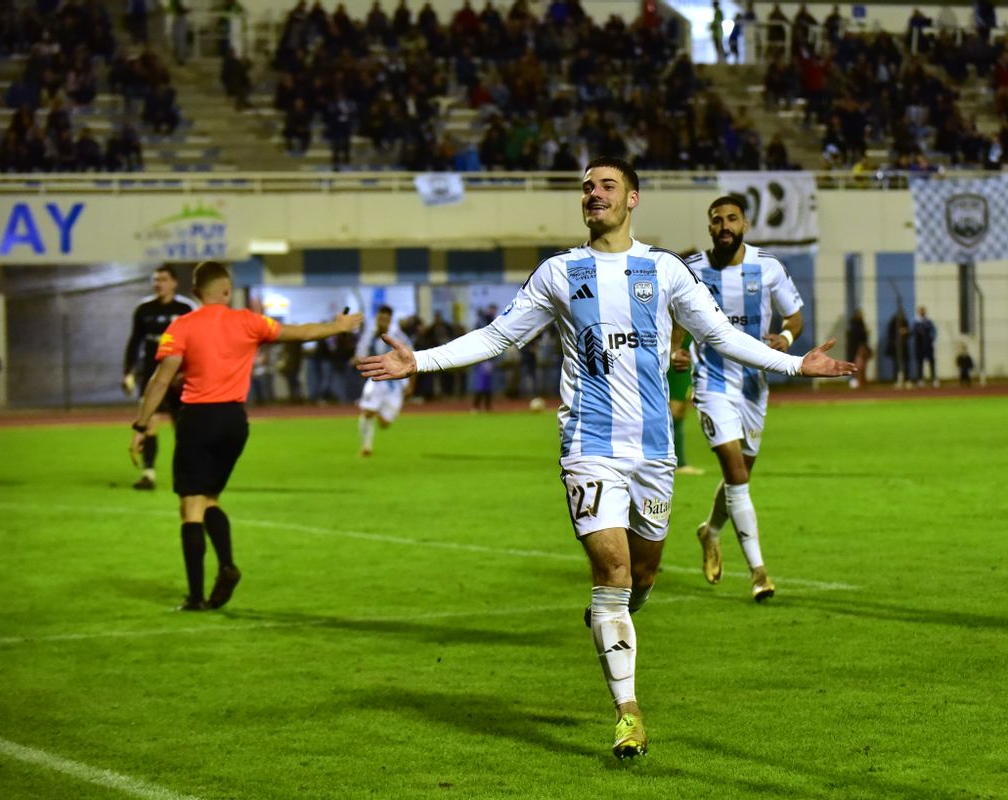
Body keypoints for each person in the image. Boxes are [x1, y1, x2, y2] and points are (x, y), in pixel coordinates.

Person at [357, 157, 854, 760]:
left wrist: (797, 364)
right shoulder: (560, 272)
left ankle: (610, 621)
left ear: (633, 199)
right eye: (587, 187)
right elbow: (499, 336)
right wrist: (422, 360)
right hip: (589, 447)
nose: (594, 193)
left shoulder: (665, 270)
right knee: (614, 572)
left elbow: (720, 337)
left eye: (606, 185)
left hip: (652, 451)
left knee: (641, 576)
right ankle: (629, 713)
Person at [128, 261, 363, 611]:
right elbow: (298, 332)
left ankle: (195, 597)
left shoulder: (182, 326)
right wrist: (337, 326)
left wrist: (141, 425)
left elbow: (161, 379)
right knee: (210, 499)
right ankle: (226, 566)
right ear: (227, 290)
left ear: (195, 293)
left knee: (190, 505)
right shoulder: (249, 322)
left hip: (198, 418)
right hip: (235, 421)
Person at [680, 195, 804, 603]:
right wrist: (674, 350)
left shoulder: (767, 267)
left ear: (745, 224)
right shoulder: (693, 270)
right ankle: (758, 572)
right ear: (710, 227)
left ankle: (710, 530)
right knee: (735, 473)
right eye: (716, 220)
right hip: (712, 383)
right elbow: (673, 316)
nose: (724, 226)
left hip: (754, 386)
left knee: (741, 476)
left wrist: (785, 338)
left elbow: (794, 317)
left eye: (731, 218)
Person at [122, 266, 197, 490]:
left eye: (163, 279)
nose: (158, 284)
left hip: (179, 377)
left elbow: (195, 343)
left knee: (181, 426)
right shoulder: (144, 309)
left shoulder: (185, 308)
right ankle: (149, 473)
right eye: (155, 280)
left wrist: (188, 372)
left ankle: (188, 473)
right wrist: (128, 372)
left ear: (174, 282)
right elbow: (134, 342)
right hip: (151, 376)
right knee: (149, 421)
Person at [357, 305, 411, 456]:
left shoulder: (398, 336)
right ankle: (366, 447)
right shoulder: (369, 334)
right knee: (367, 412)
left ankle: (376, 410)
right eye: (380, 318)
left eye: (385, 319)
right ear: (377, 318)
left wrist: (410, 383)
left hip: (395, 384)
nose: (382, 321)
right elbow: (360, 354)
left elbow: (412, 357)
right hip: (376, 380)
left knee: (384, 424)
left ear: (390, 320)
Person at [668, 331, 704, 476]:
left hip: (685, 354)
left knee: (679, 411)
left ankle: (679, 462)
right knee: (674, 411)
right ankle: (670, 460)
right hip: (676, 355)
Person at [912, 305, 938, 387]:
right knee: (920, 363)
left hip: (928, 345)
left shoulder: (929, 322)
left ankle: (934, 379)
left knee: (931, 362)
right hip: (919, 346)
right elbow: (913, 333)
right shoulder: (916, 322)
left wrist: (932, 339)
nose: (922, 312)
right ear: (918, 312)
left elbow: (934, 331)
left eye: (923, 311)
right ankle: (920, 380)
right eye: (921, 311)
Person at [885, 307, 910, 387]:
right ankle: (896, 379)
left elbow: (909, 332)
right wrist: (898, 333)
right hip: (895, 347)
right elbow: (890, 334)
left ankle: (906, 379)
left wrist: (906, 332)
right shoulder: (893, 322)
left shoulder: (905, 321)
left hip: (904, 346)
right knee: (896, 364)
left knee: (906, 363)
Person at [846, 308, 870, 389]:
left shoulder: (854, 326)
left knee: (860, 367)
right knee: (859, 367)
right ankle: (859, 382)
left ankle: (861, 382)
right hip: (858, 350)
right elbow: (860, 338)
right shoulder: (857, 326)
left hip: (857, 349)